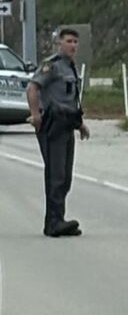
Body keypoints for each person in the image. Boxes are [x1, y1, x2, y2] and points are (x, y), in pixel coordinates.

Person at [26, 26, 89, 238]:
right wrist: (35, 115)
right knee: (56, 175)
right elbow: (32, 88)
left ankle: (58, 219)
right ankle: (53, 222)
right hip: (53, 125)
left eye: (75, 42)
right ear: (59, 43)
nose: (73, 45)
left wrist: (80, 125)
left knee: (66, 177)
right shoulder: (51, 65)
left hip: (67, 125)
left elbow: (69, 100)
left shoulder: (70, 67)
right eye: (68, 41)